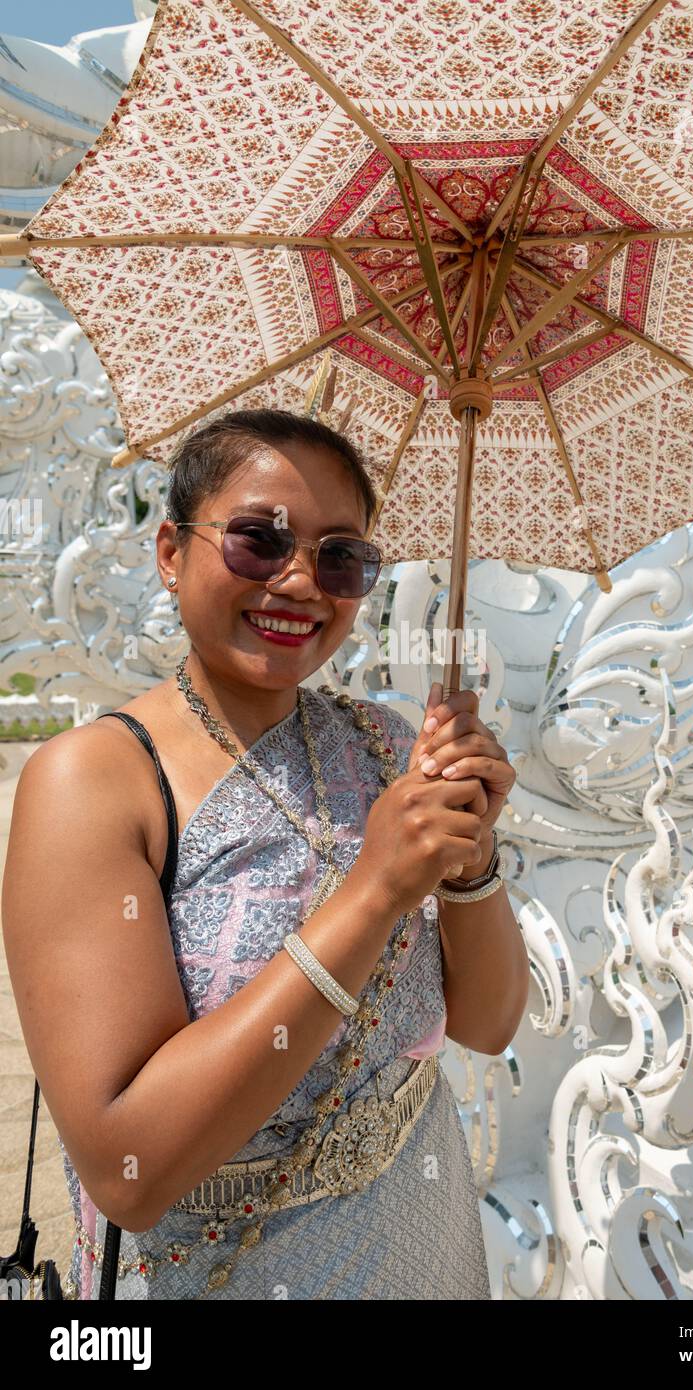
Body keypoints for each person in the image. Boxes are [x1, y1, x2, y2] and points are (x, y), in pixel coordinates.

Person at [2, 407, 529, 1300]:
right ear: (171, 551)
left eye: (341, 557)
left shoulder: (383, 747)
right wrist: (373, 892)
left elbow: (487, 1025)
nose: (299, 581)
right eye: (257, 540)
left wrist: (471, 861)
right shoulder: (95, 782)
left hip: (422, 1231)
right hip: (219, 1272)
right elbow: (130, 1168)